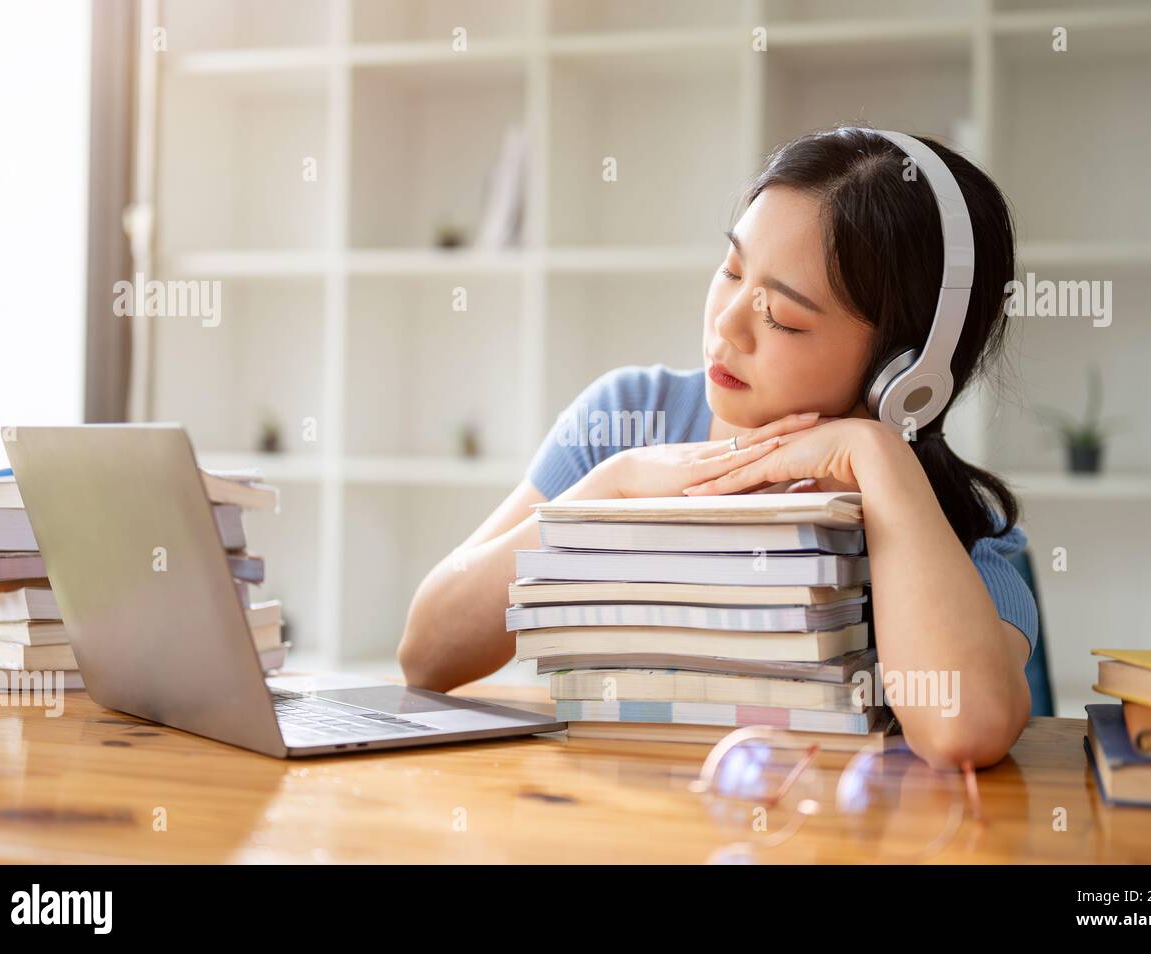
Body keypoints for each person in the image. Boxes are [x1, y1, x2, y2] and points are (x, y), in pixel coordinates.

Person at [399, 127, 1038, 770]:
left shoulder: (955, 527)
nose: (727, 322)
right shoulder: (629, 416)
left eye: (783, 317)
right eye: (731, 270)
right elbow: (426, 655)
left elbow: (963, 732)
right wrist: (610, 486)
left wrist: (878, 457)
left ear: (903, 376)